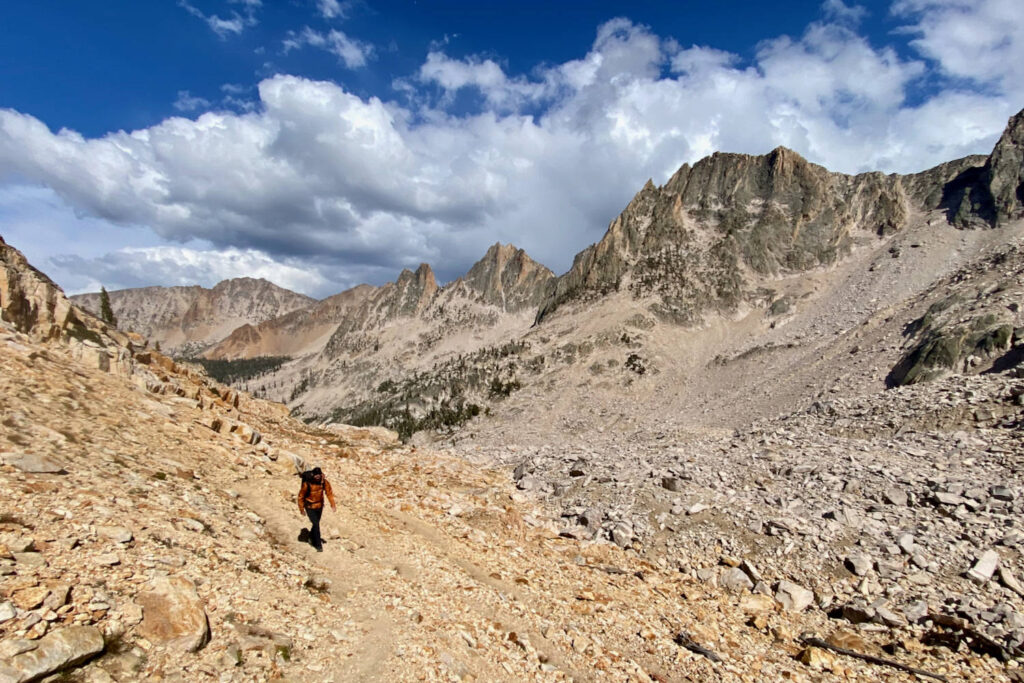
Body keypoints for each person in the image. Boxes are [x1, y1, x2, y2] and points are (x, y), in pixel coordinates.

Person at [297, 467, 336, 552]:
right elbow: (301, 497)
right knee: (316, 524)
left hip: (319, 506)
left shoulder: (324, 482)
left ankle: (311, 536)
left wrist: (332, 504)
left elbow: (329, 493)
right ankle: (318, 545)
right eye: (316, 475)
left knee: (315, 524)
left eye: (319, 474)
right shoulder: (307, 484)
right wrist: (301, 509)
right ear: (313, 475)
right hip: (310, 507)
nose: (317, 476)